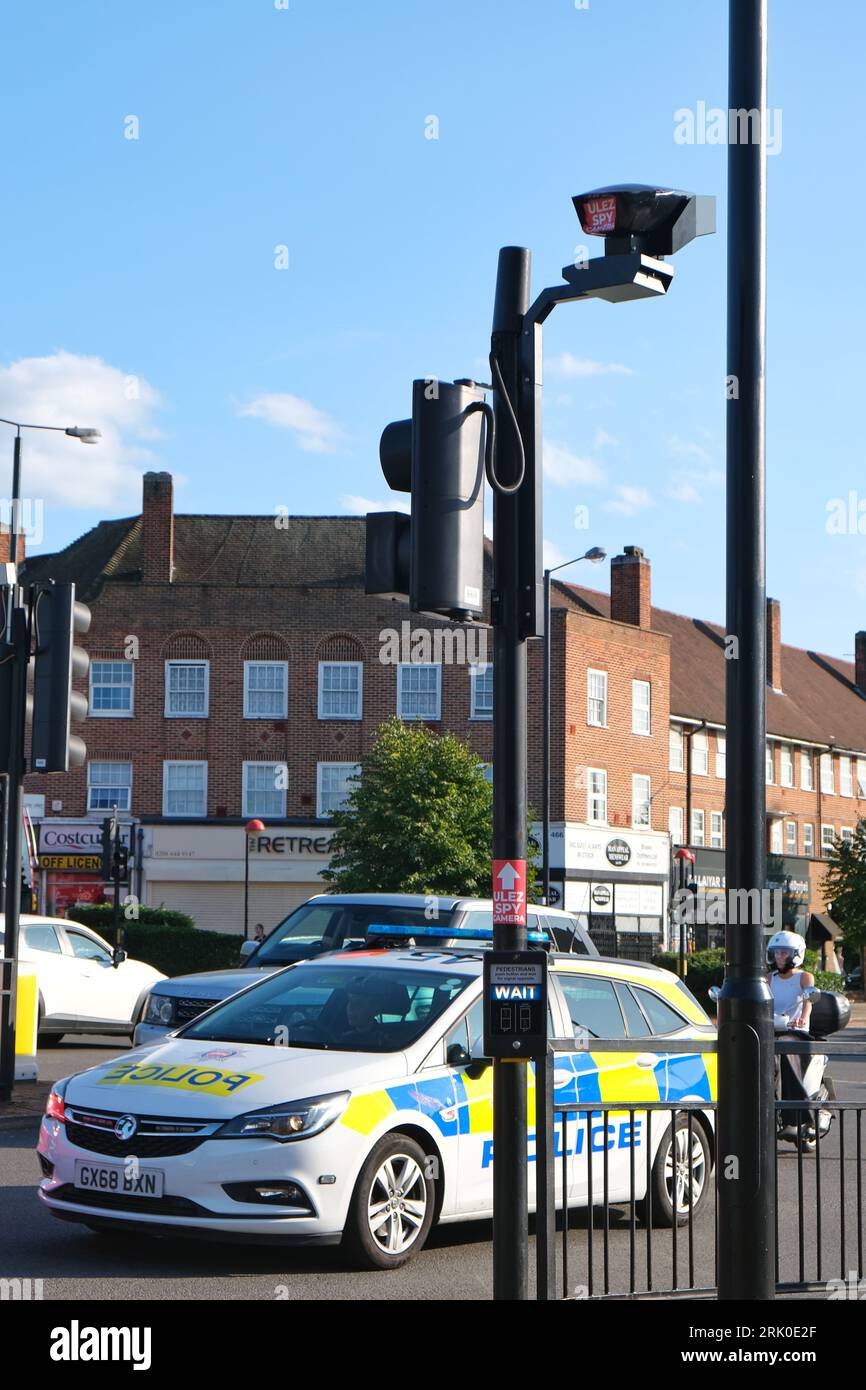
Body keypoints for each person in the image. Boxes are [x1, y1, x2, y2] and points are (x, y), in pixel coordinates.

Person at [767, 930, 814, 1030]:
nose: (779, 956)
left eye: (784, 953)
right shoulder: (769, 978)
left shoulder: (804, 977)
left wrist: (803, 1019)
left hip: (795, 1030)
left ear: (797, 953)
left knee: (785, 1041)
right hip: (773, 1030)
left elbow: (808, 1001)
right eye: (776, 952)